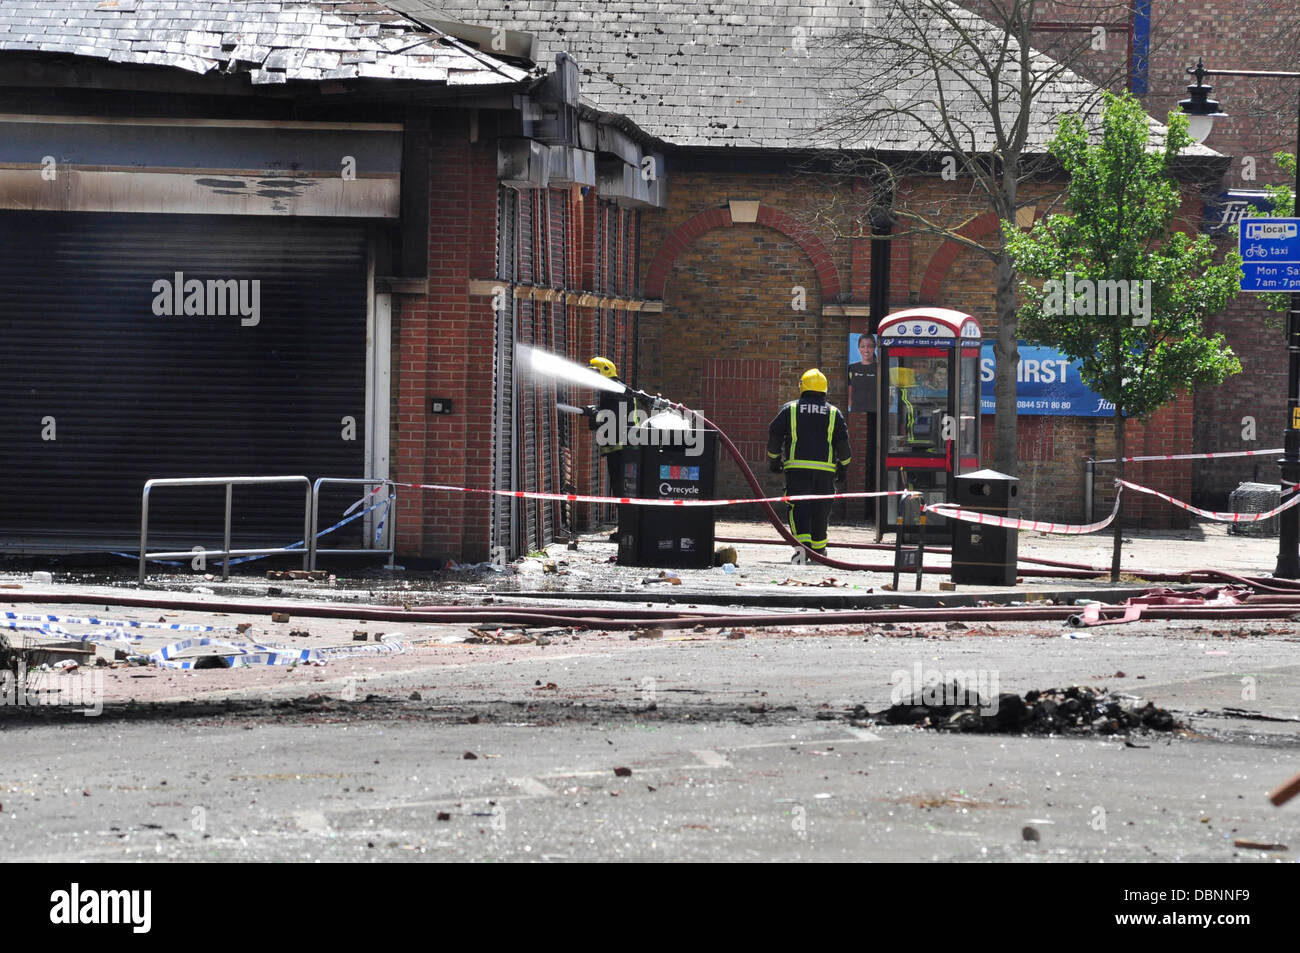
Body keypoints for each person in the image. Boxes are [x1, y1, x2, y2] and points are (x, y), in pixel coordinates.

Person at [767, 368, 851, 558]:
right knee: (821, 510)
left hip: (797, 472)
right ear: (825, 389)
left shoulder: (791, 409)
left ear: (802, 387)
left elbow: (775, 437)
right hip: (825, 473)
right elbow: (844, 448)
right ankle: (819, 552)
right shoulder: (834, 413)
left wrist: (774, 461)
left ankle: (801, 553)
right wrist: (843, 468)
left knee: (799, 509)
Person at [583, 357, 647, 539]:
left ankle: (627, 530)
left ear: (604, 371)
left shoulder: (614, 390)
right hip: (623, 448)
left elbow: (612, 419)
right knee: (621, 489)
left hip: (623, 449)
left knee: (623, 489)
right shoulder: (614, 389)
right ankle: (627, 529)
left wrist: (596, 414)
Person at [847, 333, 878, 414]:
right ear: (858, 348)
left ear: (874, 348)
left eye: (870, 346)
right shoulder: (852, 368)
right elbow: (849, 391)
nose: (866, 350)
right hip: (856, 412)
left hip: (876, 413)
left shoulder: (880, 368)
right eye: (863, 346)